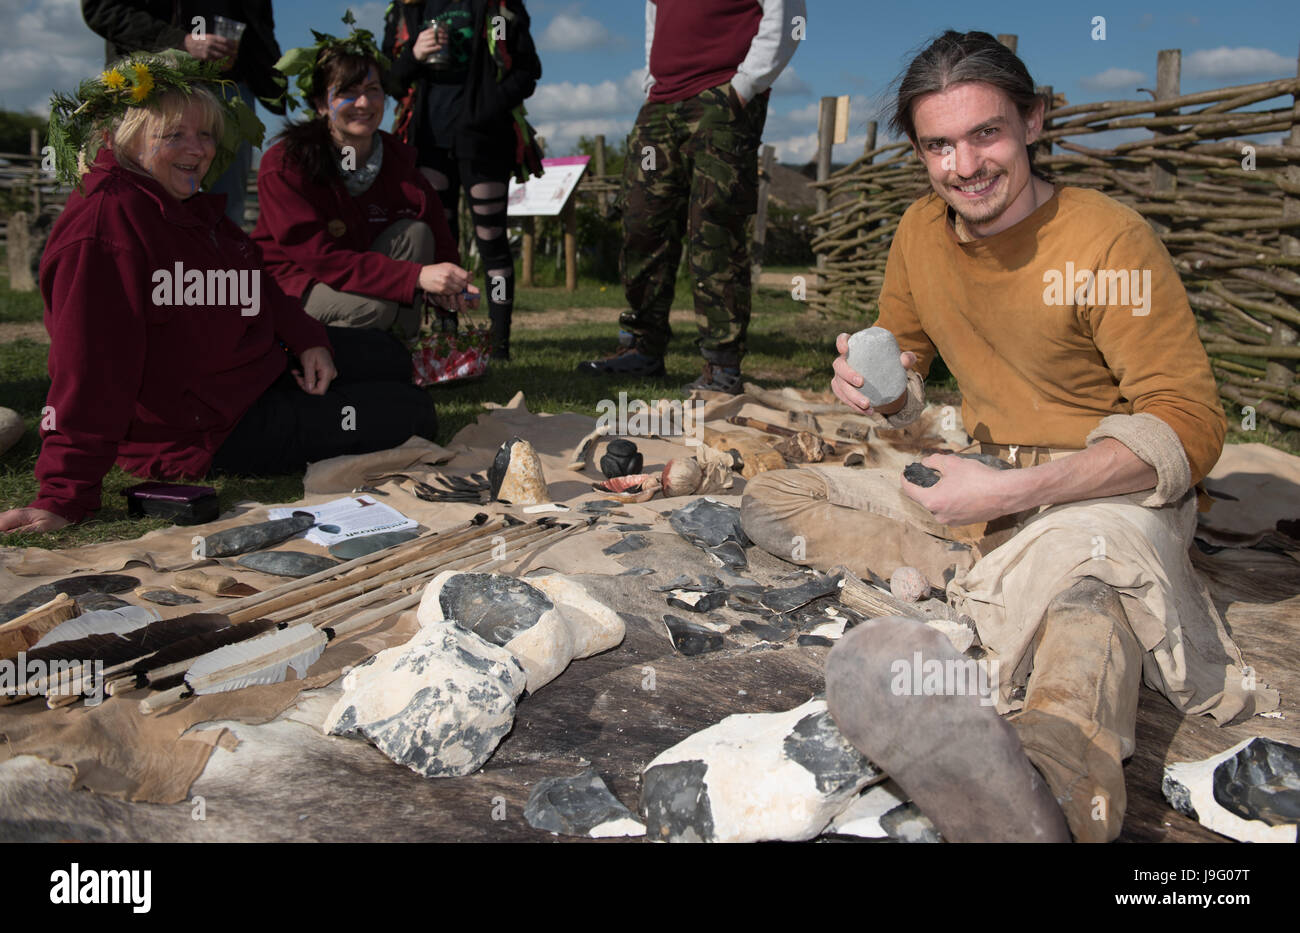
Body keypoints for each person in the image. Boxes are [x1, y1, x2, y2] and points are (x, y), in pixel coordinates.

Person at [739, 31, 1277, 842]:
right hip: (979, 482)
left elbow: (1189, 425)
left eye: (986, 133)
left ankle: (1050, 792)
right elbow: (906, 352)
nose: (965, 166)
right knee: (775, 495)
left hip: (1107, 495)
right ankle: (983, 572)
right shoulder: (921, 233)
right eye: (939, 145)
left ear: (1034, 121)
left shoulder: (1107, 239)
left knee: (1091, 590)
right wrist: (878, 386)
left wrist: (1013, 492)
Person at [0, 55, 437, 534]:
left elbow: (257, 279)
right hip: (205, 427)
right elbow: (88, 366)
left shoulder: (182, 201)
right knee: (413, 411)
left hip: (252, 367)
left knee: (391, 357)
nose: (198, 150)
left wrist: (307, 338)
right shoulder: (107, 228)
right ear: (126, 138)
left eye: (205, 134)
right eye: (174, 136)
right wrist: (64, 494)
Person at [578, 0, 806, 394]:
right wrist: (653, 83)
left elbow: (791, 20)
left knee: (714, 226)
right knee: (640, 221)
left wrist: (745, 85)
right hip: (661, 103)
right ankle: (641, 349)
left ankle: (721, 366)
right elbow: (655, 15)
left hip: (722, 100)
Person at [252, 20, 476, 341]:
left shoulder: (398, 160)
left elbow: (437, 233)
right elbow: (321, 259)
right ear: (320, 104)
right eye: (348, 92)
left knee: (416, 233)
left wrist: (453, 285)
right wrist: (416, 276)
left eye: (373, 91)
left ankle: (395, 356)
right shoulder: (287, 163)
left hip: (357, 277)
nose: (363, 103)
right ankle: (303, 361)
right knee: (374, 308)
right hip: (295, 285)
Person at [382, 0, 543, 361]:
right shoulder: (409, 8)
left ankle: (499, 344)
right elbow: (388, 79)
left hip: (485, 142)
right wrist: (414, 53)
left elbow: (526, 70)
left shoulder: (498, 6)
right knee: (442, 244)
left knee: (493, 242)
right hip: (428, 143)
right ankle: (446, 336)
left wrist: (486, 109)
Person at [81, 0, 287, 227]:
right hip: (150, 82)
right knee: (139, 203)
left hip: (228, 87)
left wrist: (268, 73)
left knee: (224, 210)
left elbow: (259, 23)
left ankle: (214, 260)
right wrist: (180, 42)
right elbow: (101, 9)